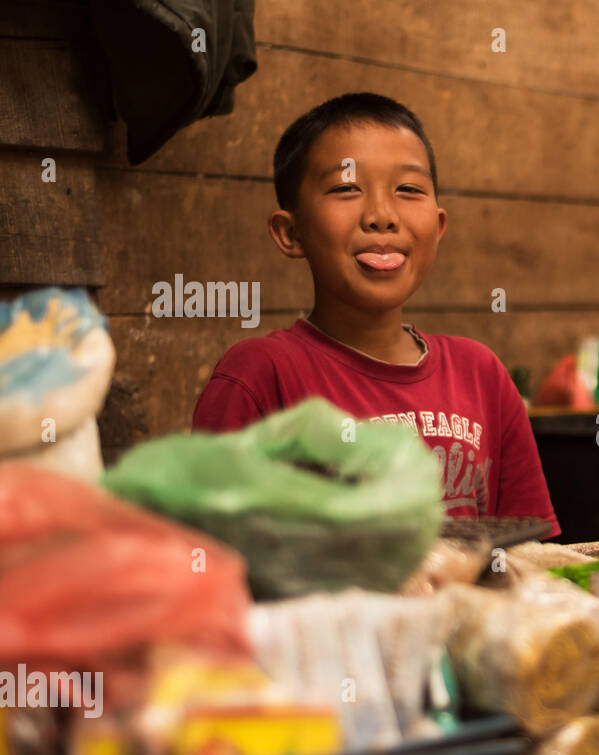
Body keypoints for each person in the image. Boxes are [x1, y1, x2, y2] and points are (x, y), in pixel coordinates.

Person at [192, 93, 558, 536]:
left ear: (438, 227)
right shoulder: (260, 377)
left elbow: (528, 558)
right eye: (347, 188)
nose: (382, 216)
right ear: (291, 232)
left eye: (408, 190)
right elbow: (215, 562)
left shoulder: (480, 374)